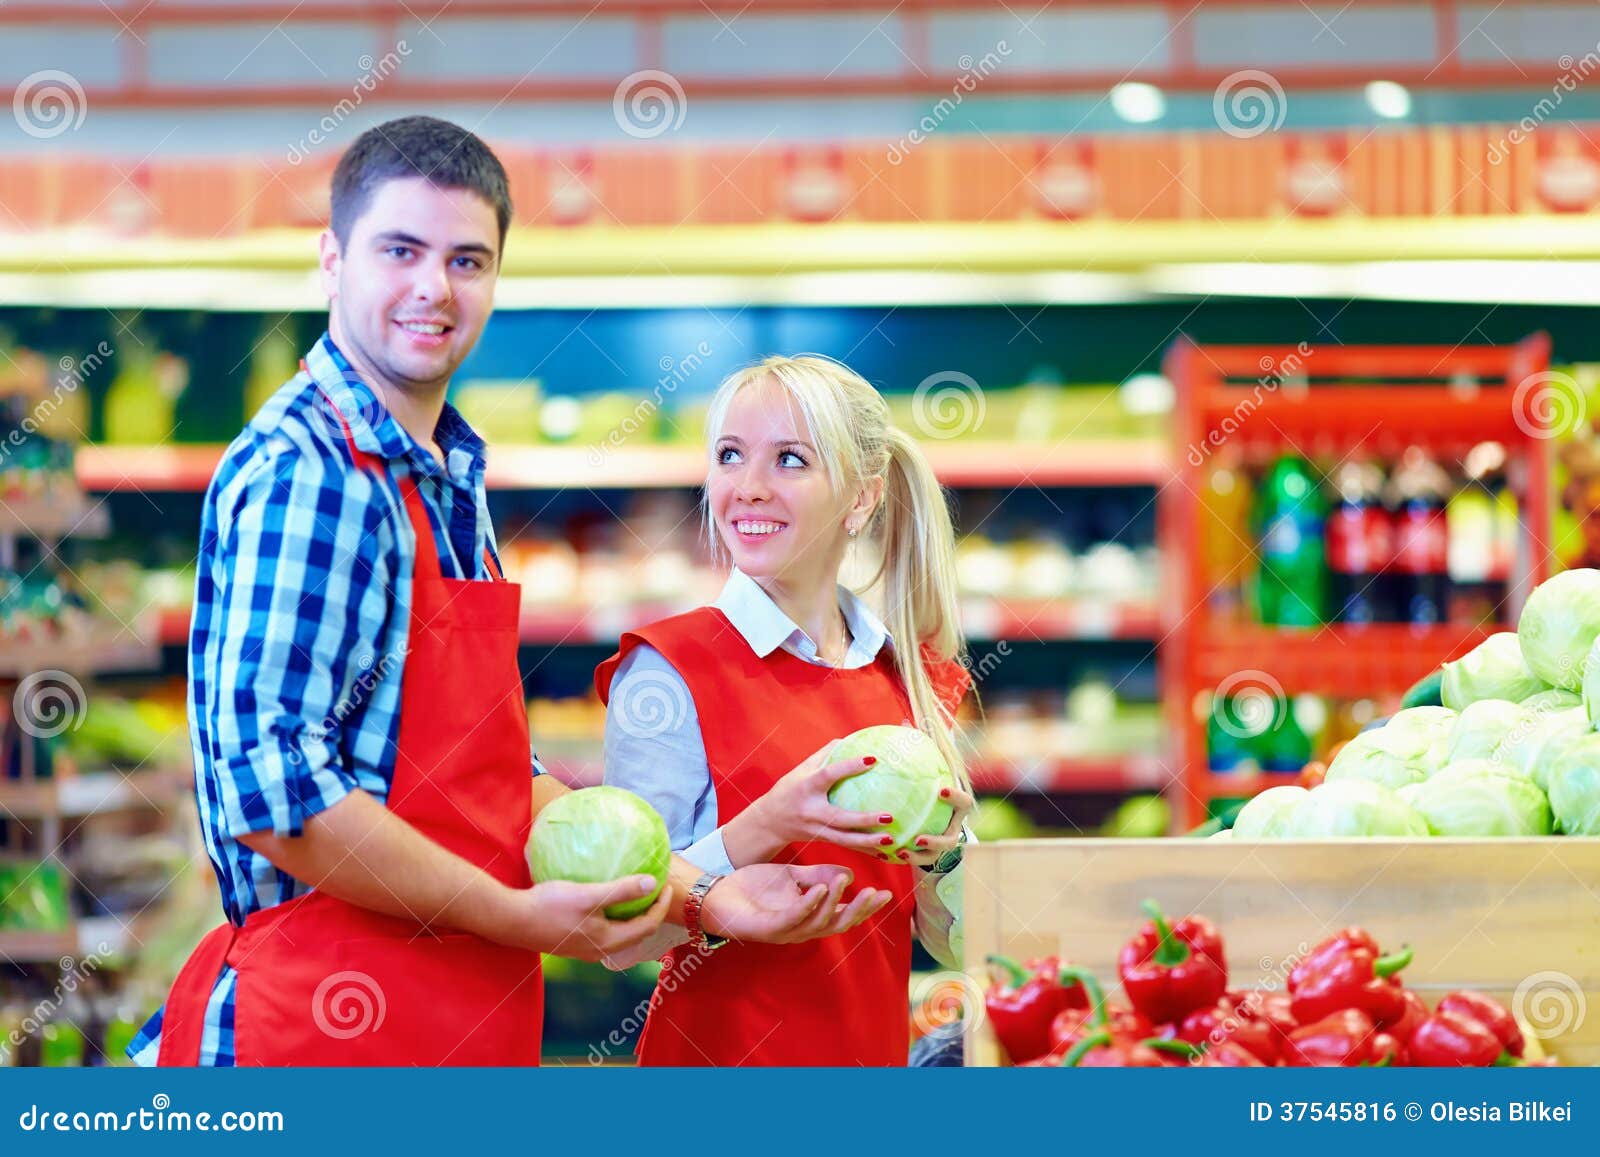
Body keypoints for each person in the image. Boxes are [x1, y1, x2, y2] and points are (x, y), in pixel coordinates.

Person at [130, 118, 891, 1067]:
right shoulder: (310, 472)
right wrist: (519, 914)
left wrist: (699, 895)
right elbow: (277, 792)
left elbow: (491, 781)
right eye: (399, 250)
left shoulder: (443, 478)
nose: (433, 288)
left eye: (467, 259)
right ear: (332, 259)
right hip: (319, 1026)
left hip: (460, 1021)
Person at [597, 354, 976, 1067]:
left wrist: (943, 855)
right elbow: (619, 931)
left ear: (861, 499)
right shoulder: (668, 668)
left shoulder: (907, 677)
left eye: (790, 459)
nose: (748, 488)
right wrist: (770, 822)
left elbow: (951, 941)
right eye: (730, 455)